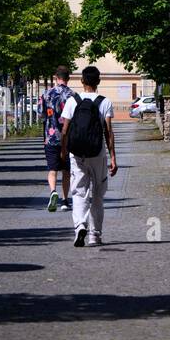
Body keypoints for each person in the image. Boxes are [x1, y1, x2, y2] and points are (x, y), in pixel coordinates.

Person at [60, 66, 117, 247]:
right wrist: (113, 157)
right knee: (98, 194)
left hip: (77, 154)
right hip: (97, 153)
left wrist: (63, 150)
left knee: (78, 192)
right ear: (98, 81)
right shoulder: (105, 102)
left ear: (82, 81)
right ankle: (95, 235)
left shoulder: (72, 101)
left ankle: (79, 226)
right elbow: (108, 132)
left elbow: (64, 130)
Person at [39, 67, 75, 212]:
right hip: (68, 138)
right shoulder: (73, 95)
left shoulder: (46, 94)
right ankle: (65, 201)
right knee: (67, 171)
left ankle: (53, 191)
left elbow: (42, 116)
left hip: (51, 136)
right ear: (68, 78)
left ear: (55, 77)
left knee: (52, 169)